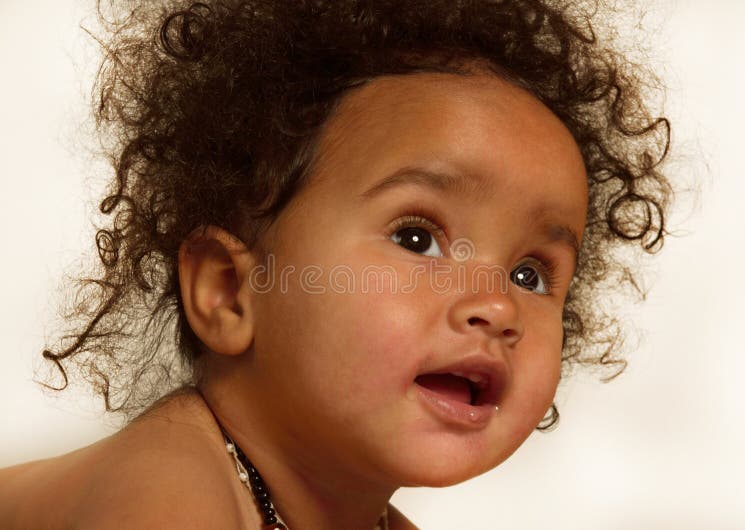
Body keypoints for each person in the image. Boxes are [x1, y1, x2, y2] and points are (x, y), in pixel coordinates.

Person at [0, 0, 673, 528]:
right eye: (417, 239)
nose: (498, 307)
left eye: (530, 275)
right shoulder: (168, 491)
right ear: (230, 292)